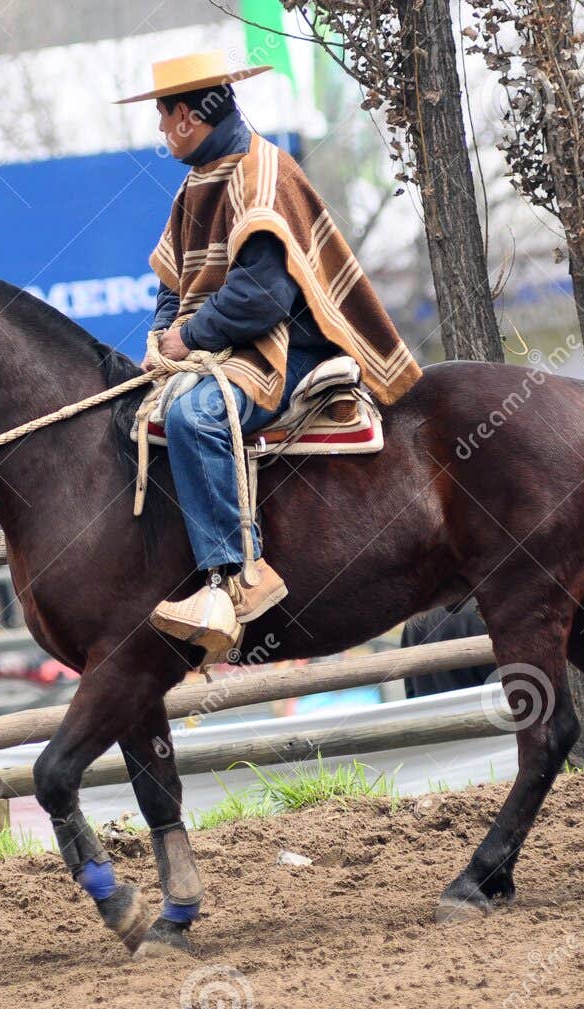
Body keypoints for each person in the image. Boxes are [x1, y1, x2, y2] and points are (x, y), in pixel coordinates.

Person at [115, 51, 422, 653]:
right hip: (228, 348)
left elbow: (261, 300)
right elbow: (172, 285)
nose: (157, 129)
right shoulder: (198, 181)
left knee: (194, 415)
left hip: (285, 350)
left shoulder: (262, 175)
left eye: (161, 114)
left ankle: (237, 576)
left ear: (186, 115)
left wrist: (188, 338)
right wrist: (161, 341)